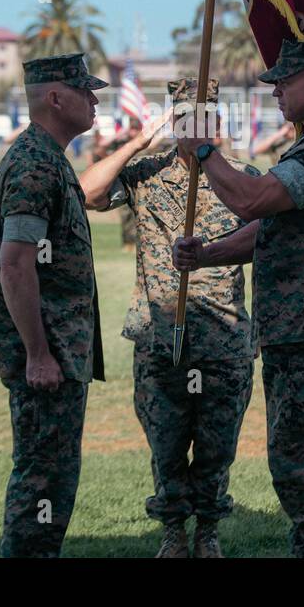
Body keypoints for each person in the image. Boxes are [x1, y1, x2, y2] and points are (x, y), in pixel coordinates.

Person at [173, 39, 304, 558]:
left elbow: (252, 198)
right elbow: (270, 224)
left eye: (285, 81)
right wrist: (210, 255)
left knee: (299, 459)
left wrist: (202, 152)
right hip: (297, 327)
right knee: (297, 454)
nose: (276, 91)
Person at [80, 78, 256, 559]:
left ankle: (208, 532)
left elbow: (268, 232)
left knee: (219, 446)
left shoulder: (242, 177)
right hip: (161, 337)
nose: (196, 130)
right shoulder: (145, 175)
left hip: (223, 336)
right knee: (166, 443)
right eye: (185, 120)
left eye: (204, 120)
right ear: (174, 124)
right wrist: (138, 141)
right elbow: (87, 191)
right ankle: (174, 533)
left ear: (218, 124)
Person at [0, 53, 109, 558]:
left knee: (52, 480)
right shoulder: (34, 165)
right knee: (41, 480)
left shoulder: (48, 159)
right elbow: (15, 264)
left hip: (58, 354)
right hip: (47, 358)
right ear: (56, 98)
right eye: (85, 90)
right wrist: (38, 353)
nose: (95, 99)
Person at [91, 119, 141, 249]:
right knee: (125, 215)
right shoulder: (121, 142)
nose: (133, 132)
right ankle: (127, 242)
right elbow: (101, 146)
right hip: (123, 183)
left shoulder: (143, 143)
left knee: (140, 215)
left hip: (140, 183)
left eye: (136, 129)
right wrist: (120, 133)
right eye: (132, 129)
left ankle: (136, 243)